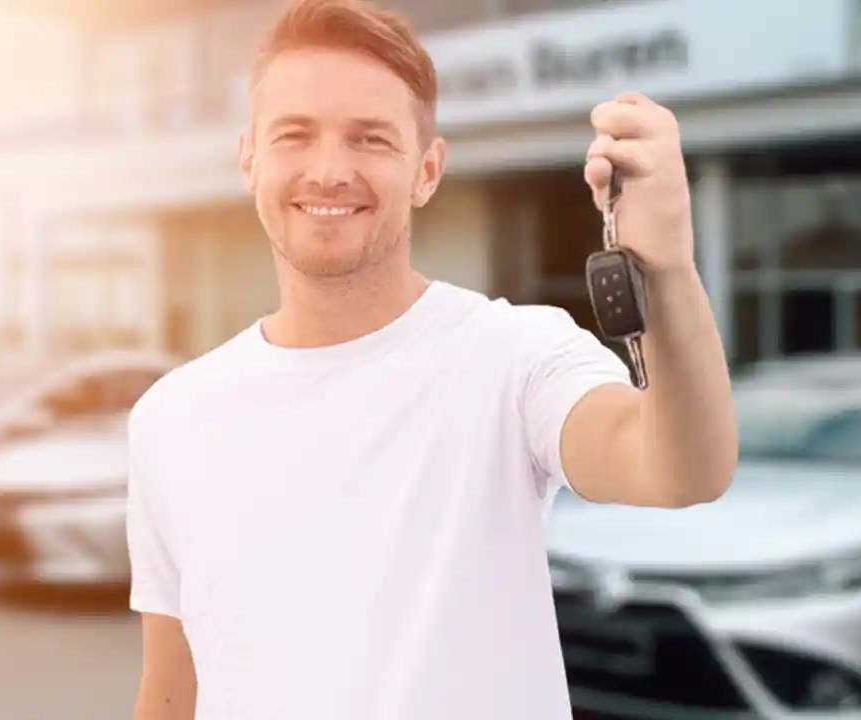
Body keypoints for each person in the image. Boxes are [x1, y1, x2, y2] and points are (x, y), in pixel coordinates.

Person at [126, 0, 738, 718]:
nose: (329, 170)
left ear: (427, 171)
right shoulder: (171, 416)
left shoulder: (513, 357)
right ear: (248, 160)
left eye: (371, 140)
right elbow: (173, 692)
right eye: (295, 135)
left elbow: (681, 468)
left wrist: (666, 270)